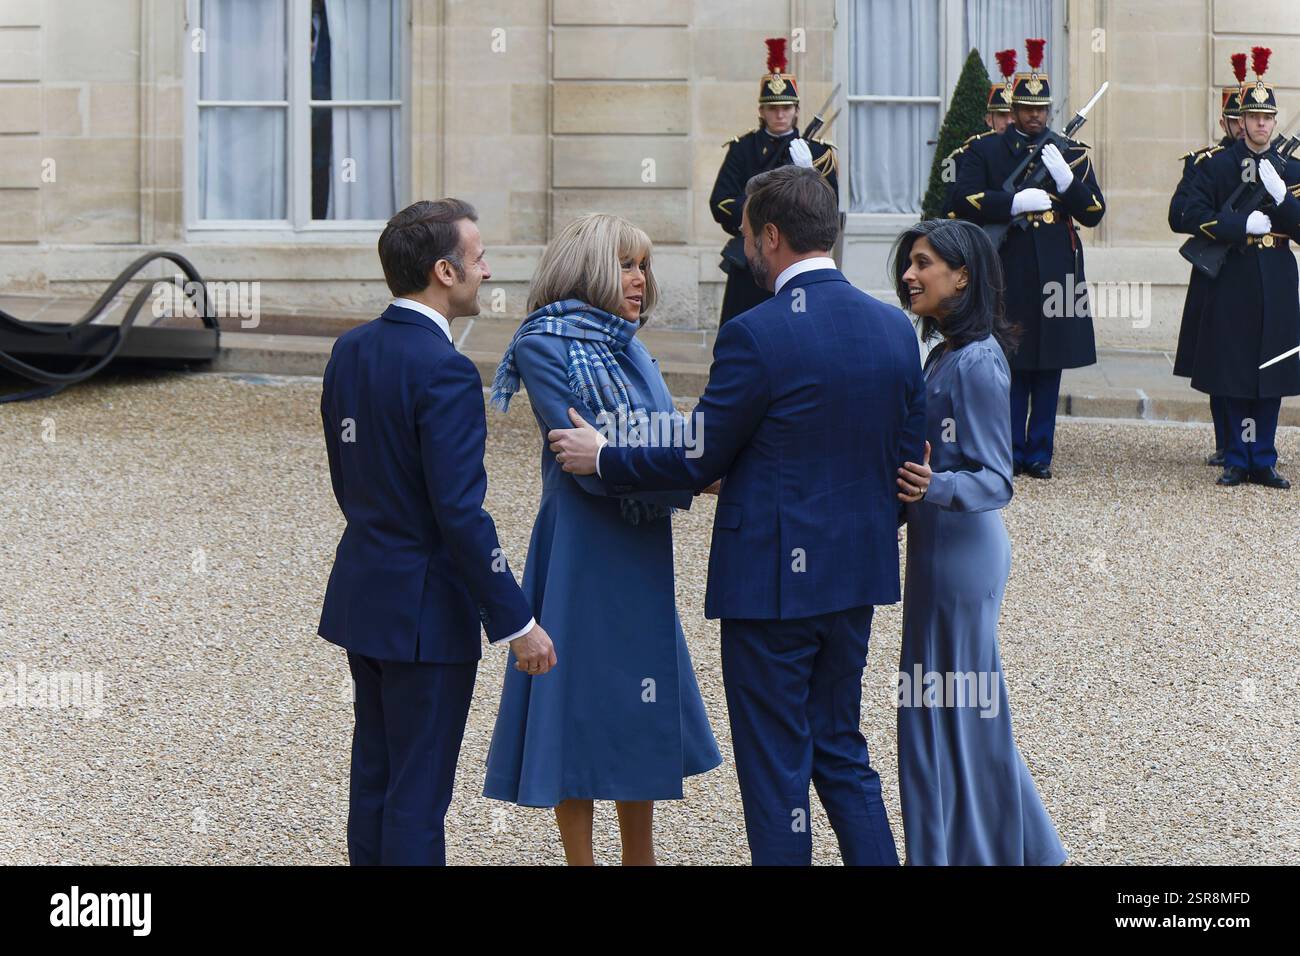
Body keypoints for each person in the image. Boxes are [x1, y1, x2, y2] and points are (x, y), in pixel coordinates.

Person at [548, 166, 930, 866]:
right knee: (842, 751)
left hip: (771, 589)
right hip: (857, 576)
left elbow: (699, 456)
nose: (745, 246)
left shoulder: (755, 334)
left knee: (777, 769)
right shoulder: (894, 330)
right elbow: (906, 471)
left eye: (749, 233)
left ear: (774, 236)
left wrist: (605, 457)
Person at [318, 199, 556, 865]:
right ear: (444, 271)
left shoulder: (350, 350)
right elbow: (459, 513)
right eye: (478, 258)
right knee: (417, 798)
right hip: (424, 615)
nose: (488, 269)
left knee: (375, 783)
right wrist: (516, 621)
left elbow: (349, 479)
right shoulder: (446, 370)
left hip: (365, 594)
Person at [483, 214, 721, 865]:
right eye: (625, 264)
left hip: (640, 545)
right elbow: (584, 467)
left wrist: (642, 452)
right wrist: (679, 459)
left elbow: (667, 439)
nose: (640, 279)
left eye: (643, 264)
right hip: (582, 547)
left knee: (636, 704)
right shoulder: (543, 343)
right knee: (579, 706)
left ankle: (639, 859)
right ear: (588, 268)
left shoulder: (630, 344)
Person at [892, 218, 1068, 866]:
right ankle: (1024, 850)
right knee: (949, 712)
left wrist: (930, 484)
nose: (909, 275)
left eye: (923, 263)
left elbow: (997, 478)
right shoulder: (943, 354)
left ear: (961, 275)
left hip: (963, 558)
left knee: (954, 712)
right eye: (910, 262)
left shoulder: (980, 360)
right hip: (937, 553)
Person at [950, 38, 1106, 479]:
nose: (1034, 115)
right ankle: (1009, 448)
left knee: (1049, 362)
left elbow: (1094, 212)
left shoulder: (1069, 152)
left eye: (1041, 108)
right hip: (1009, 266)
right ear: (1013, 108)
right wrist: (1012, 202)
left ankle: (1039, 451)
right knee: (1011, 360)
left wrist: (1068, 182)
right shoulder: (985, 150)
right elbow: (960, 199)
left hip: (1056, 267)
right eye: (1025, 107)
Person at [1183, 46, 1300, 489]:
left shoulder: (1291, 168)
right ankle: (1236, 457)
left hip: (1275, 273)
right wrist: (1236, 225)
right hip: (1233, 273)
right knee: (1234, 368)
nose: (1260, 124)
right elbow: (1186, 215)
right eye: (1253, 117)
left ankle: (1264, 458)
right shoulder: (1218, 166)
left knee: (1269, 368)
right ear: (1242, 121)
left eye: (1267, 117)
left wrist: (1285, 198)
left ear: (1274, 120)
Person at [710, 37, 838, 326]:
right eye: (772, 108)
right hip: (752, 259)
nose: (779, 114)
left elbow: (830, 208)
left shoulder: (817, 153)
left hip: (796, 257)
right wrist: (761, 211)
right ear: (761, 111)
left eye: (786, 107)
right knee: (743, 329)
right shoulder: (743, 149)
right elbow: (720, 202)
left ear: (796, 110)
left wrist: (810, 175)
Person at [1169, 54, 1247, 466]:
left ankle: (1251, 445)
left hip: (1258, 271)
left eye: (1247, 118)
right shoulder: (1205, 164)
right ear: (1224, 123)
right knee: (1221, 358)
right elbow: (1180, 215)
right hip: (1217, 271)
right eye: (1234, 120)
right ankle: (1226, 440)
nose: (1241, 127)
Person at [939, 49, 1017, 218]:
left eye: (1013, 115)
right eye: (1003, 116)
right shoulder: (957, 157)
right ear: (989, 120)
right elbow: (949, 205)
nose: (1009, 122)